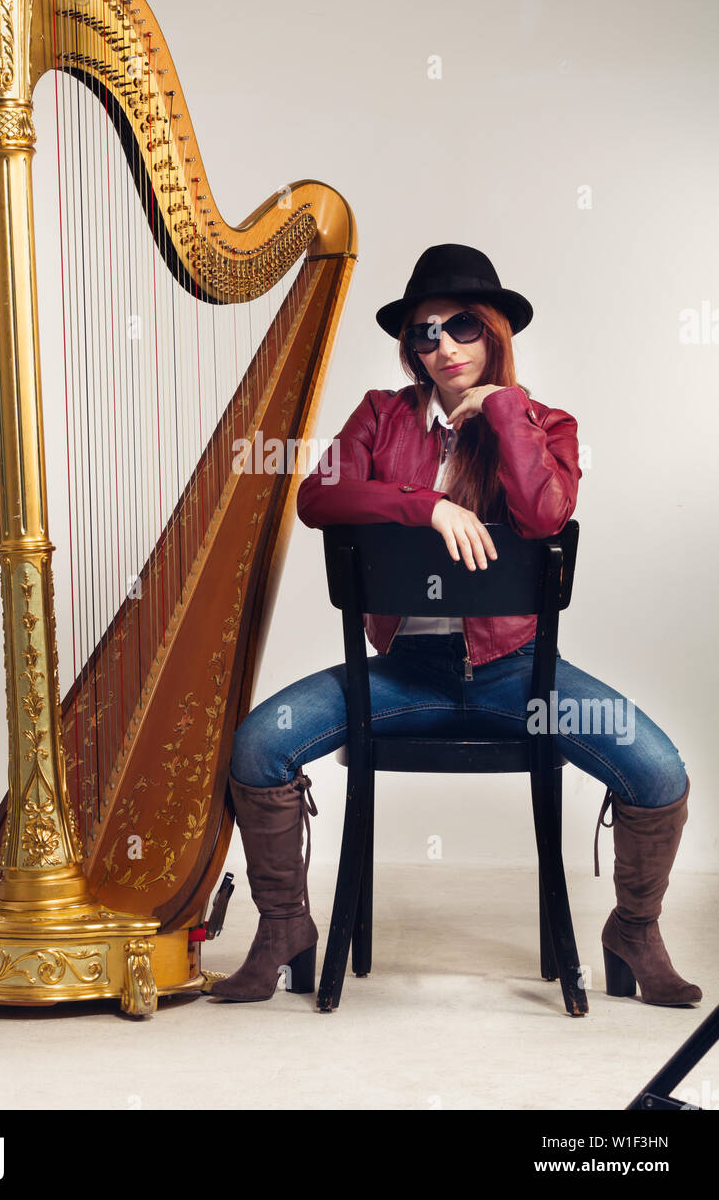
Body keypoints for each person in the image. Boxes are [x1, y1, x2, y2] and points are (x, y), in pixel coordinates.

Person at [208, 244, 701, 1010]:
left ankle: (634, 930)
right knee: (259, 746)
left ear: (494, 330)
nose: (440, 346)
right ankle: (283, 927)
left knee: (660, 773)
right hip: (404, 678)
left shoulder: (548, 425)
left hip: (519, 677)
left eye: (460, 326)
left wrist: (504, 410)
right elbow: (317, 500)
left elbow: (543, 515)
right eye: (423, 333)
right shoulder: (381, 415)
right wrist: (427, 505)